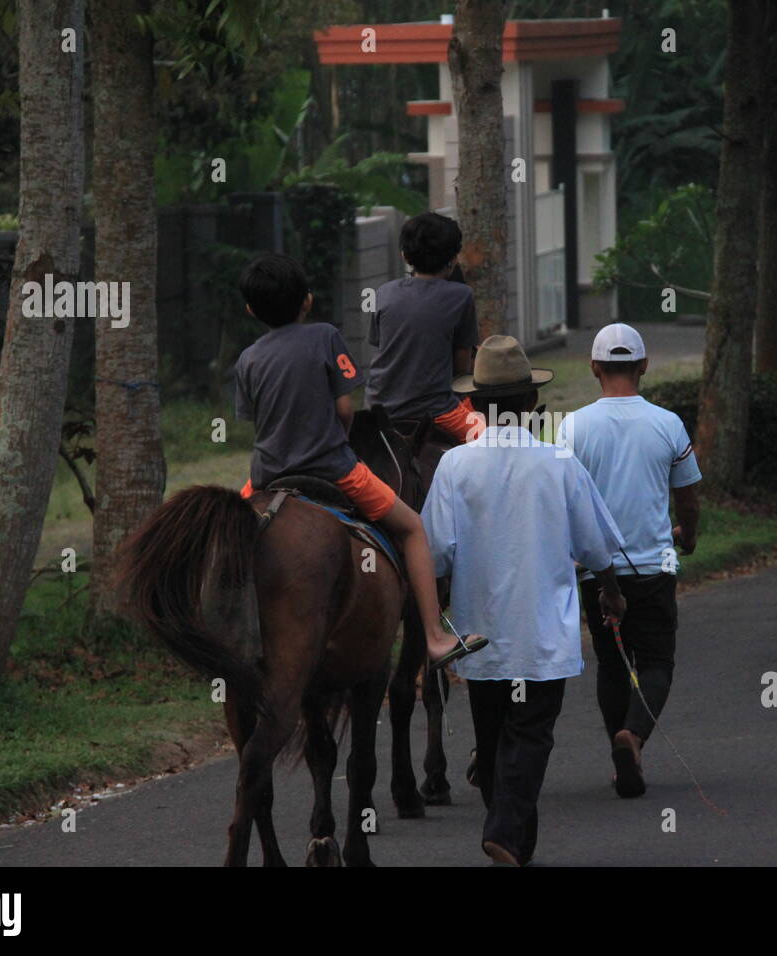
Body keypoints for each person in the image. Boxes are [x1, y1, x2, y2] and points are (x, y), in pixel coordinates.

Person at [421, 334, 627, 866]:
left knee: (491, 740)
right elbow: (597, 546)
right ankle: (506, 834)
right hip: (540, 636)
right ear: (532, 403)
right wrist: (611, 589)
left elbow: (436, 555)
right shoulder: (558, 461)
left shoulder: (454, 468)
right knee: (530, 737)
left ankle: (513, 841)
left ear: (472, 405)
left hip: (479, 634)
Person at [232, 252, 484, 670]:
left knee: (233, 536)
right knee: (413, 529)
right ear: (307, 301)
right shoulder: (326, 336)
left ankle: (239, 641)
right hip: (335, 469)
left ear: (251, 310)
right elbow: (346, 410)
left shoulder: (248, 359)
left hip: (267, 477)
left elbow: (257, 421)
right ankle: (437, 639)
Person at [556, 323, 702, 798]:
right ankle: (633, 737)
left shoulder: (572, 426)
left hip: (597, 573)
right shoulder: (668, 425)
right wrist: (689, 536)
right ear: (644, 366)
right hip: (653, 568)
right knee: (657, 661)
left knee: (612, 664)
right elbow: (687, 498)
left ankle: (622, 761)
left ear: (594, 367)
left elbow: (567, 502)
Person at [365, 212, 484, 443]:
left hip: (377, 409)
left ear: (404, 256)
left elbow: (381, 347)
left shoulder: (384, 293)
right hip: (438, 411)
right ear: (453, 259)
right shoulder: (461, 296)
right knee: (495, 446)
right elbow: (461, 370)